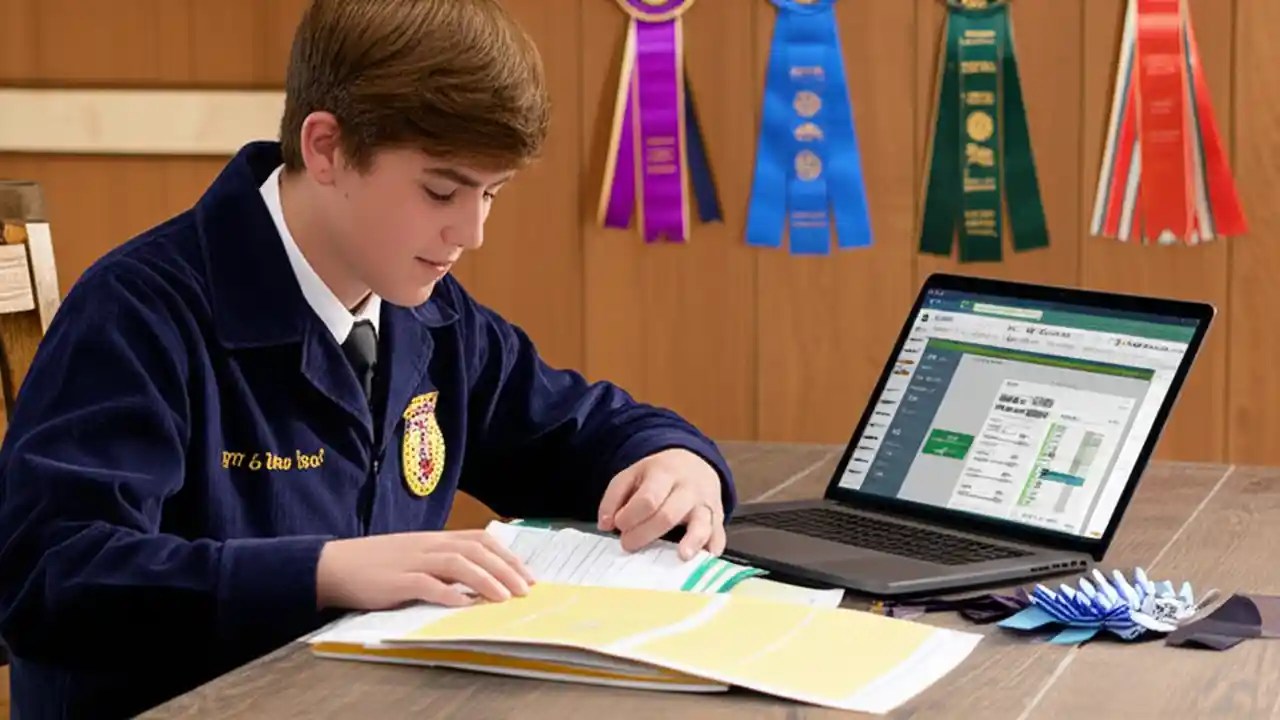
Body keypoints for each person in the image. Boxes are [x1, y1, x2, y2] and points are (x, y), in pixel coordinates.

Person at [0, 0, 737, 716]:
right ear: (325, 148)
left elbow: (577, 429)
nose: (471, 232)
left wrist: (675, 459)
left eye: (493, 194)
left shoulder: (430, 316)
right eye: (442, 189)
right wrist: (320, 572)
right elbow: (48, 577)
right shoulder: (139, 313)